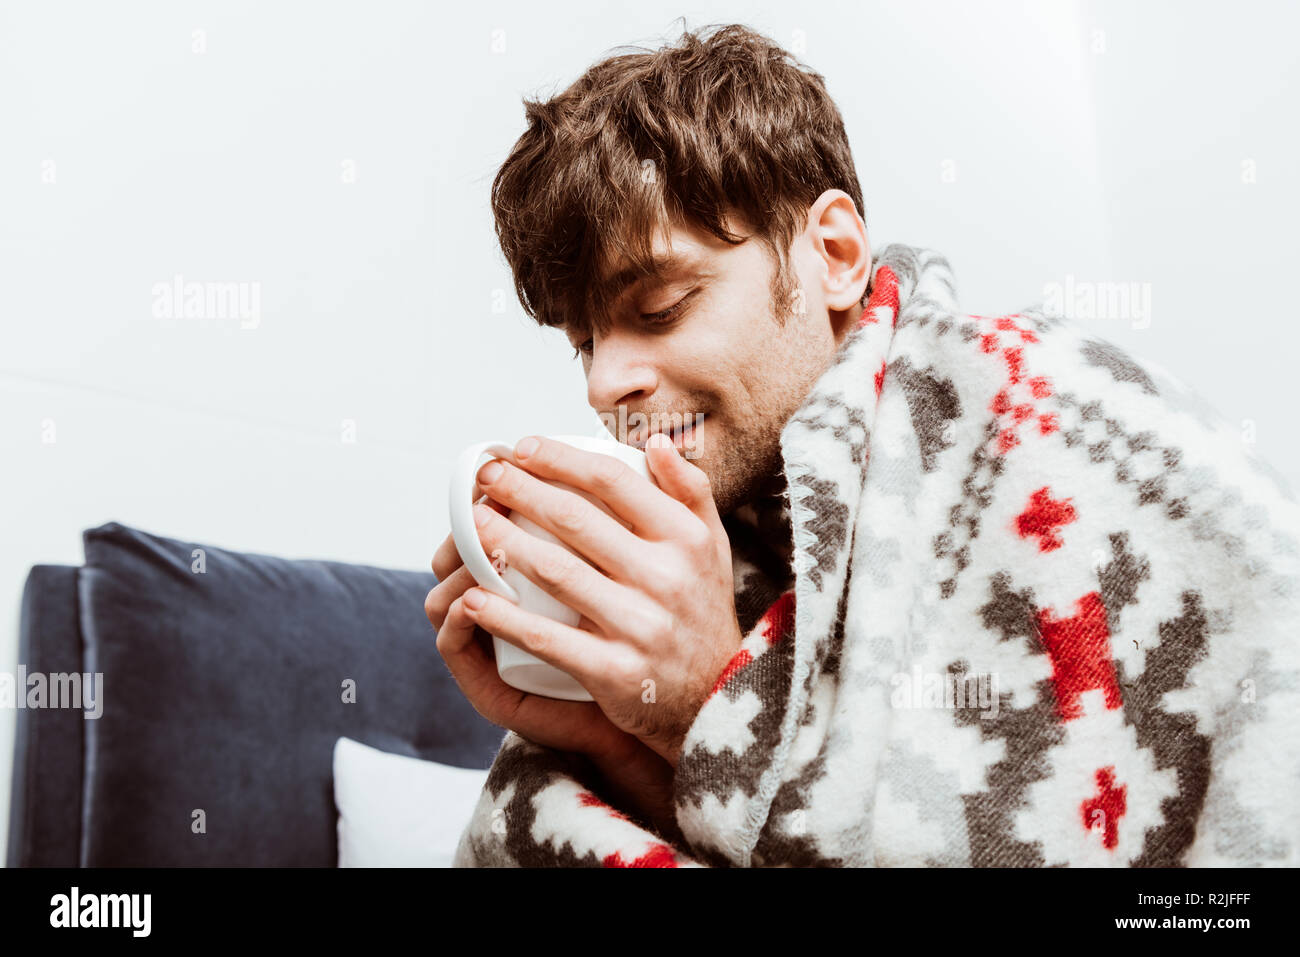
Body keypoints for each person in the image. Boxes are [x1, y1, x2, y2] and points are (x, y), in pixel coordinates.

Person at [425, 22, 1300, 867]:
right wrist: (614, 739)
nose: (602, 383)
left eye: (659, 309)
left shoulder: (1048, 422)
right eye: (585, 341)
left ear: (835, 255)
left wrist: (707, 697)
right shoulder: (712, 531)